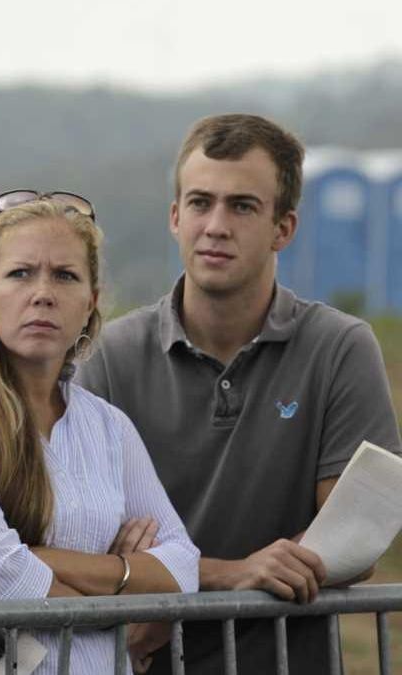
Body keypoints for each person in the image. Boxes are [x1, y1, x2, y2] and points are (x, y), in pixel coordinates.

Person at [76, 113, 402, 673]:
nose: (216, 225)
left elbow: (354, 536)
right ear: (175, 218)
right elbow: (84, 545)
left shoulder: (340, 347)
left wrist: (161, 577)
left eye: (243, 206)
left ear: (284, 228)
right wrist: (236, 572)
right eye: (201, 203)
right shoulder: (109, 356)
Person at [0, 191, 199, 674]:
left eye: (65, 275)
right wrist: (126, 600)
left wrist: (36, 558)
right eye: (20, 273)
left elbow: (183, 570)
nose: (43, 292)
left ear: (91, 302)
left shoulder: (109, 427)